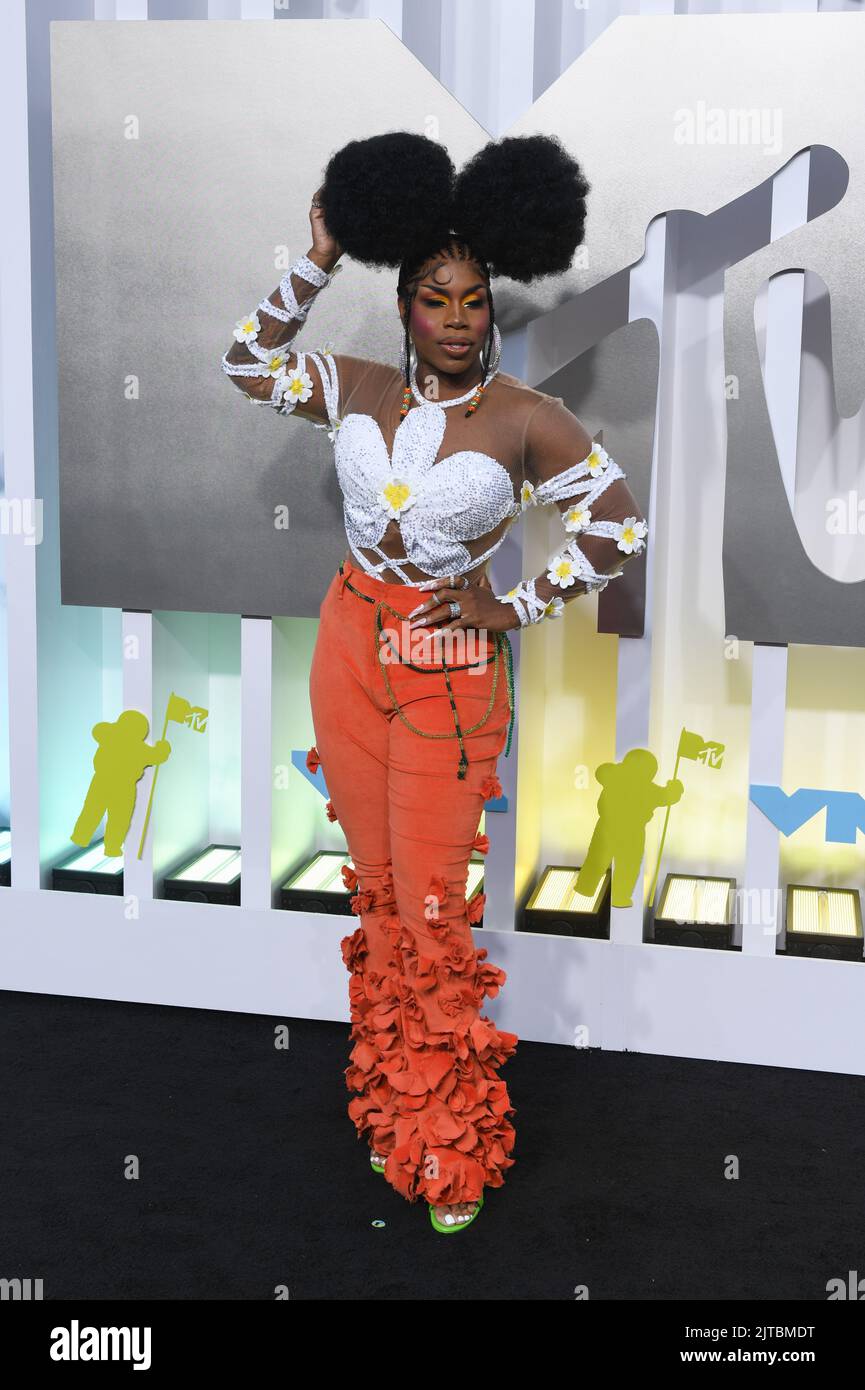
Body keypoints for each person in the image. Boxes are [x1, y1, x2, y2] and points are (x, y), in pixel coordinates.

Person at [221, 132, 649, 1234]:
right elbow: (245, 362)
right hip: (348, 650)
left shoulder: (522, 415)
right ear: (405, 307)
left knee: (427, 908)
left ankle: (445, 1149)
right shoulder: (353, 386)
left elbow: (616, 526)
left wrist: (509, 604)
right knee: (374, 890)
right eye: (432, 298)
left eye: (471, 299)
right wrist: (316, 260)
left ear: (490, 309)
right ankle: (388, 1106)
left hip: (449, 676)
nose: (455, 316)